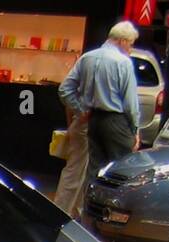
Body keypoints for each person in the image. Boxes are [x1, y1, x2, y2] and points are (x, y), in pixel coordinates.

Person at [59, 21, 141, 189]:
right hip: (116, 122)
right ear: (123, 41)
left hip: (93, 120)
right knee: (122, 169)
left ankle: (89, 211)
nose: (130, 50)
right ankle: (115, 212)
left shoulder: (87, 58)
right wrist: (135, 130)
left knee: (94, 171)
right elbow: (130, 104)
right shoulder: (123, 62)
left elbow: (64, 89)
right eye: (131, 45)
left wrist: (80, 110)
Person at [52, 106, 90, 219]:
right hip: (85, 124)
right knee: (75, 172)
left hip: (83, 123)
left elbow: (66, 92)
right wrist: (81, 113)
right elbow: (65, 91)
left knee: (83, 172)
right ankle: (60, 212)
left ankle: (76, 213)